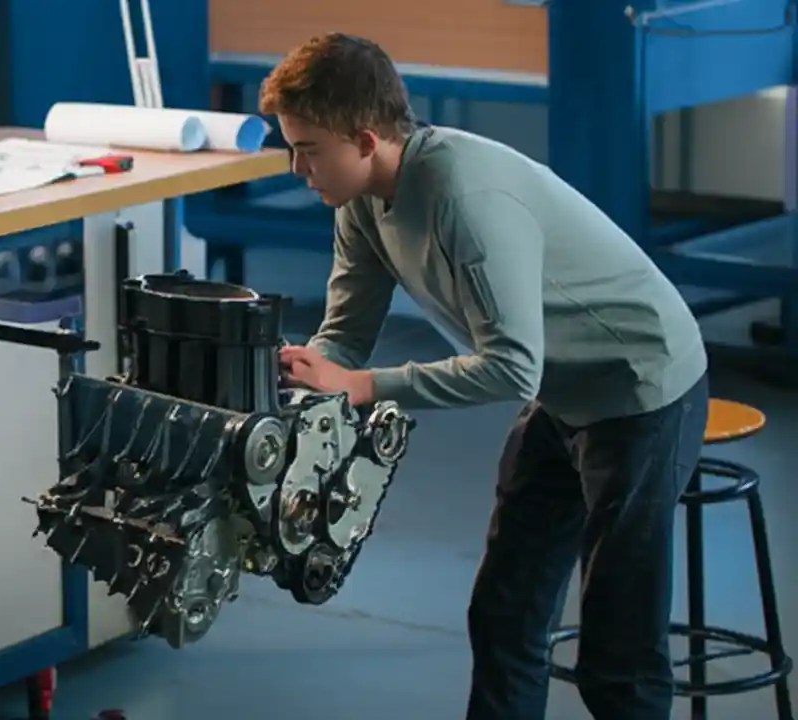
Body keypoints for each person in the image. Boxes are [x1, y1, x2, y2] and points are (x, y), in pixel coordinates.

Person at [260, 32, 710, 720]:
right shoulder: (357, 197)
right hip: (562, 390)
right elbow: (346, 337)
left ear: (366, 138)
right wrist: (301, 378)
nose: (296, 168)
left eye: (308, 149)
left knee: (618, 657)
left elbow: (509, 368)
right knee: (504, 617)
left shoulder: (461, 198)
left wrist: (365, 386)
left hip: (640, 387)